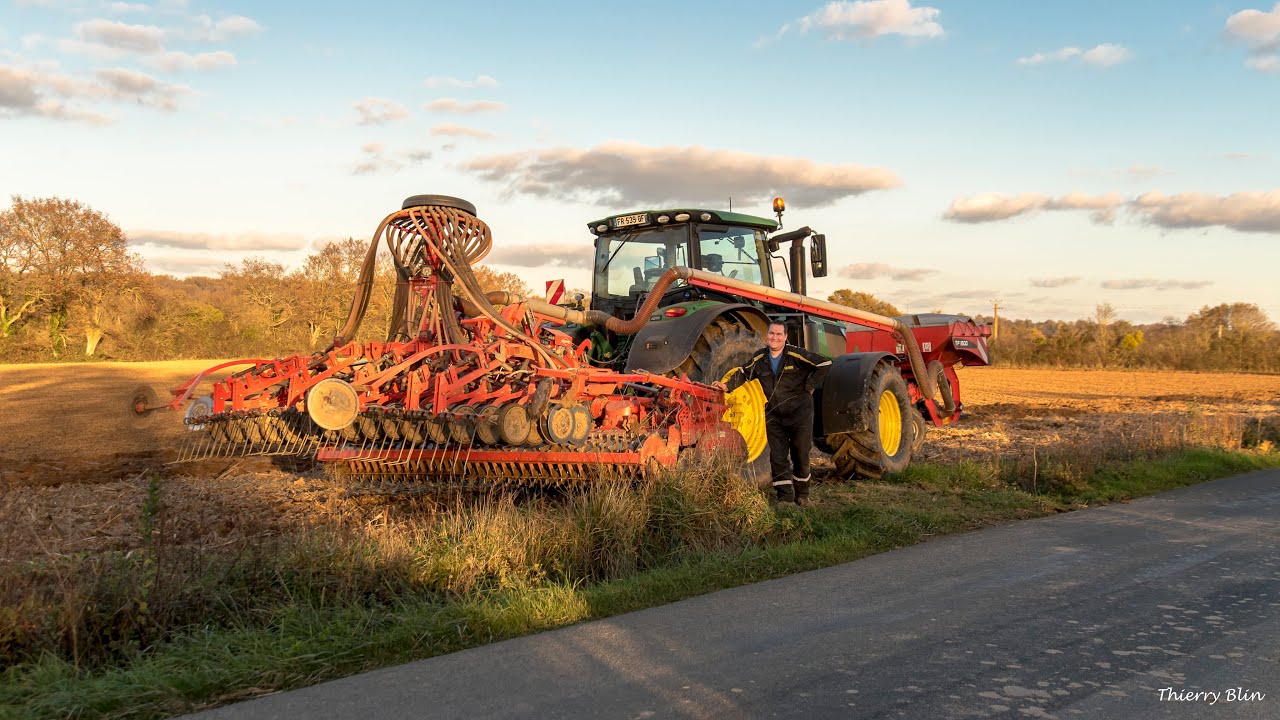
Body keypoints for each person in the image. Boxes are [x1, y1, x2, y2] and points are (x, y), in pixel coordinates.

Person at [713, 322, 831, 506]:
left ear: (785, 337)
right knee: (777, 456)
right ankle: (784, 498)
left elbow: (825, 363)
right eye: (771, 333)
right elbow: (744, 373)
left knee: (801, 454)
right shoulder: (760, 357)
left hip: (800, 413)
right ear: (767, 335)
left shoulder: (796, 355)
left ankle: (803, 496)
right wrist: (727, 386)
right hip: (775, 414)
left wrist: (810, 384)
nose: (774, 337)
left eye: (779, 334)